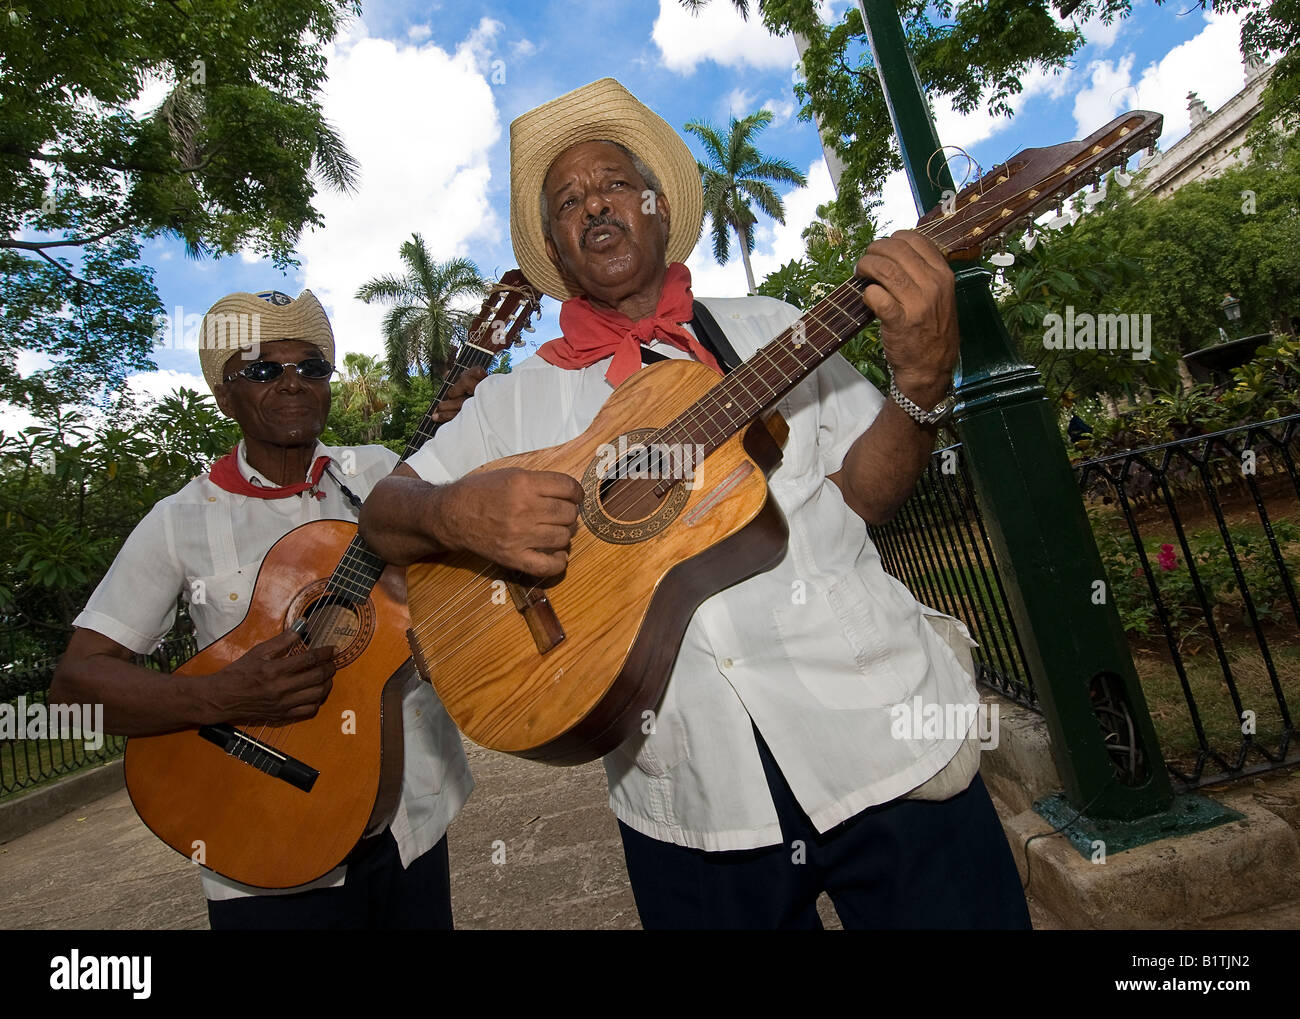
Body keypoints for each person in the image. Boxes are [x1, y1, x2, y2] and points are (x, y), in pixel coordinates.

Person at [358, 79, 1030, 929]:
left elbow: (867, 494)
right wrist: (455, 513)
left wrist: (923, 387)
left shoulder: (776, 326)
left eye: (611, 184)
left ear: (658, 206)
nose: (594, 205)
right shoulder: (510, 405)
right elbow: (384, 508)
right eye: (568, 201)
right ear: (557, 252)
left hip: (878, 735)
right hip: (690, 798)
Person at [51, 288, 480, 929]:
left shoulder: (384, 475)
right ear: (226, 396)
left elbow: (466, 564)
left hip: (412, 823)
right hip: (262, 844)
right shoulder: (178, 521)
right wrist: (223, 696)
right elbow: (74, 687)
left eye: (311, 368)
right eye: (263, 370)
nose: (293, 384)